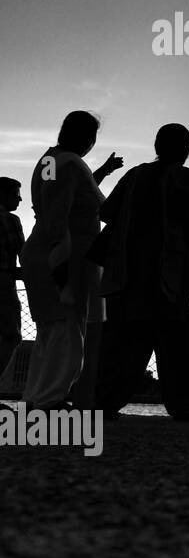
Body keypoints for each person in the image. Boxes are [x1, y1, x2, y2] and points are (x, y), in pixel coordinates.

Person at [95, 124, 189, 421]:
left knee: (125, 341)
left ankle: (104, 402)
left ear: (156, 145)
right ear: (186, 149)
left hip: (127, 272)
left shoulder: (135, 175)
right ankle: (184, 405)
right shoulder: (188, 177)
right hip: (174, 271)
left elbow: (106, 213)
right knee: (177, 338)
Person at [20, 111, 123, 411]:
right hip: (66, 256)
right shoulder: (71, 164)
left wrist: (101, 172)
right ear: (88, 139)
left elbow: (60, 196)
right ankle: (50, 400)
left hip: (41, 253)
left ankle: (36, 397)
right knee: (68, 330)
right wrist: (62, 273)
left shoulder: (50, 161)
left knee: (50, 330)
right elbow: (62, 214)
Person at [0, 177, 25, 378]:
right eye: (16, 195)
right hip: (3, 284)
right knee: (12, 335)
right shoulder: (9, 220)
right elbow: (21, 252)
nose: (20, 200)